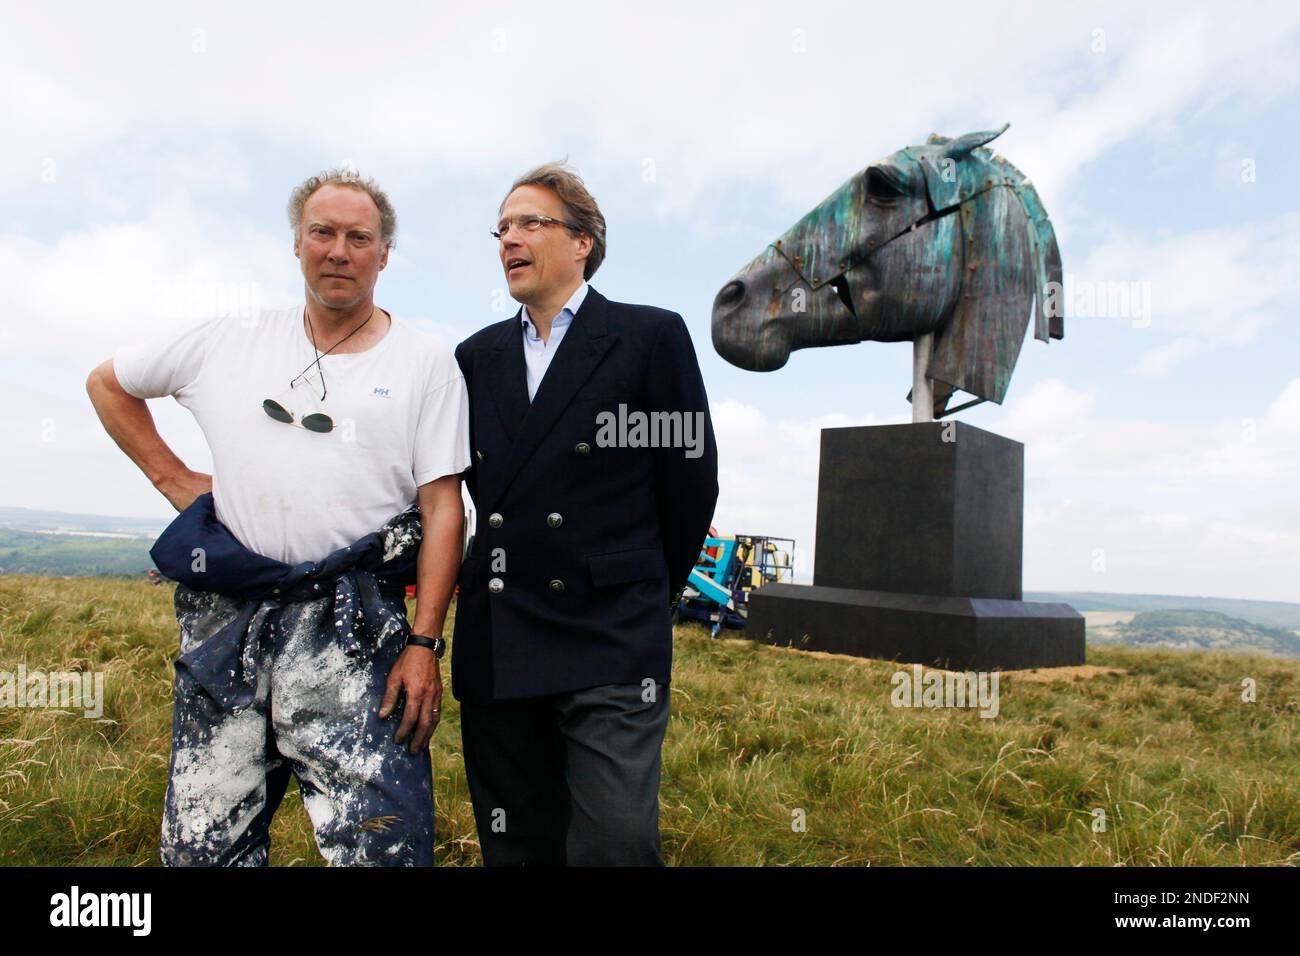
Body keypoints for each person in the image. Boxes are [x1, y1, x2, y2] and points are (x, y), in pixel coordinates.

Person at [84, 168, 469, 866]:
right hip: (229, 621)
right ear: (297, 243)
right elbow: (108, 382)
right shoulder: (230, 339)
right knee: (207, 847)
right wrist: (171, 478)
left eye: (359, 237)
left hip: (357, 628)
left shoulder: (425, 364)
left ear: (384, 255)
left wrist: (425, 644)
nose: (339, 250)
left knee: (384, 848)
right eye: (323, 232)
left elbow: (445, 508)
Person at [453, 162, 719, 865]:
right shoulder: (474, 358)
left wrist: (642, 593)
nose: (510, 237)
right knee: (520, 845)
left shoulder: (649, 338)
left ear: (583, 242)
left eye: (530, 222)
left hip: (610, 633)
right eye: (503, 226)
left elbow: (690, 486)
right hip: (501, 633)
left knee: (616, 844)